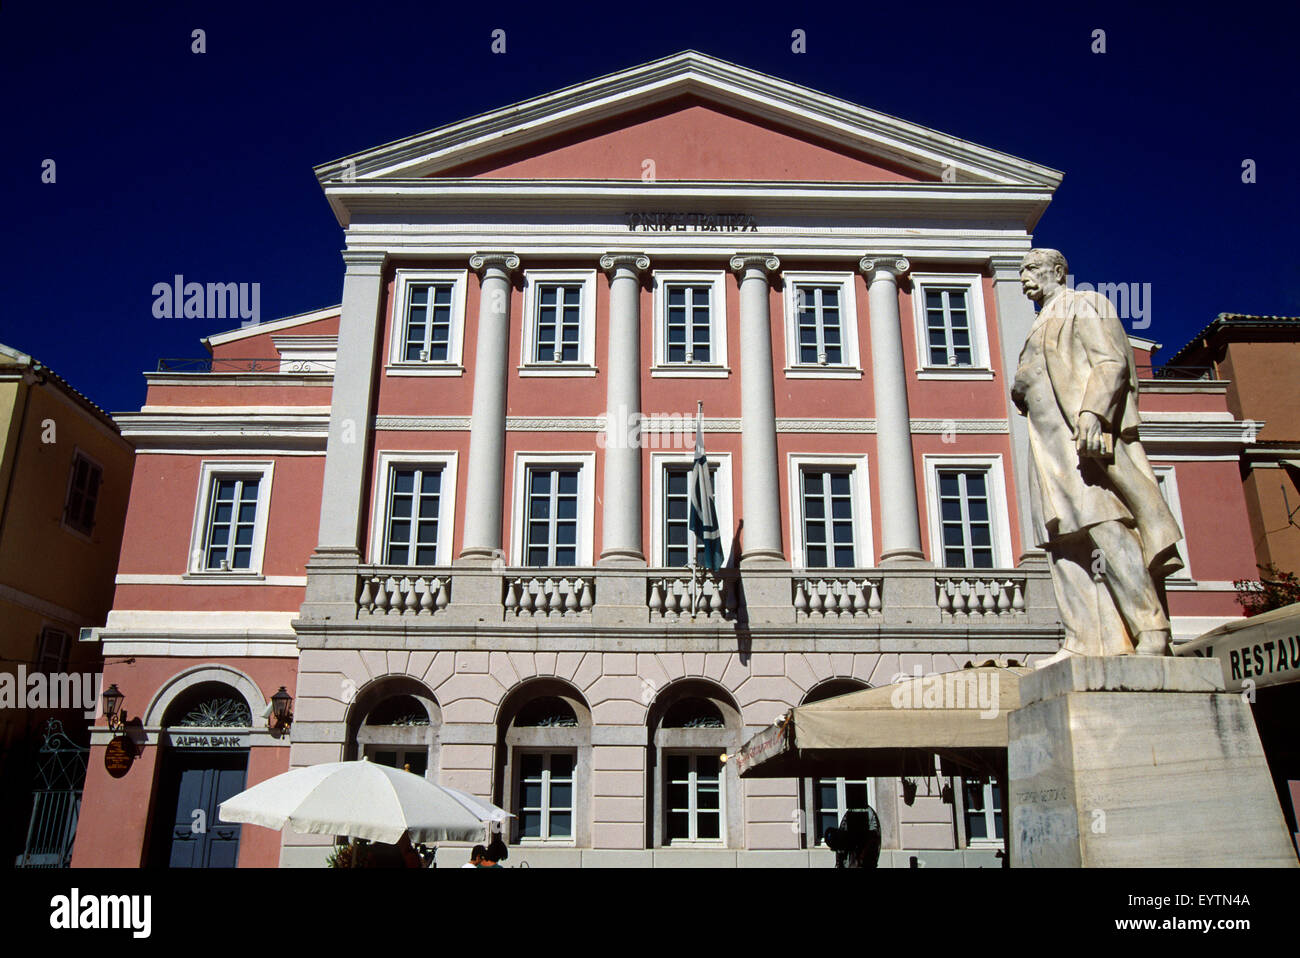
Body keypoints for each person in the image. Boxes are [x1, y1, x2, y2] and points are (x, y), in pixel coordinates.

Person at [1010, 248, 1184, 662]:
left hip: (1082, 442)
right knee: (1064, 542)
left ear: (1058, 271)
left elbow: (1112, 362)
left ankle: (1151, 629)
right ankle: (1083, 639)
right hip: (1047, 448)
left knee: (1108, 529)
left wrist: (1093, 414)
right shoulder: (1038, 323)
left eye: (1031, 270)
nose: (1024, 279)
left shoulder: (1085, 303)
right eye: (1020, 272)